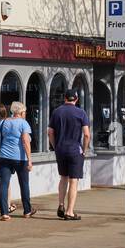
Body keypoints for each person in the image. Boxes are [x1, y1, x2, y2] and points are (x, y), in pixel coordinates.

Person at [47, 89, 91, 221]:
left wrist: (56, 147)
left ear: (65, 98)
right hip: (74, 150)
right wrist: (84, 149)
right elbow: (87, 134)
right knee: (73, 181)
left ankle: (61, 204)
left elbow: (50, 132)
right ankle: (69, 211)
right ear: (76, 99)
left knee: (63, 178)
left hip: (60, 149)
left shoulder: (57, 112)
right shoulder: (81, 113)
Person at [0, 101, 35, 220]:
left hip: (4, 157)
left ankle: (4, 213)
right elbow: (25, 141)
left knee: (4, 184)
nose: (25, 114)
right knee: (24, 184)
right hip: (20, 158)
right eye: (25, 112)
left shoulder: (4, 122)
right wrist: (29, 159)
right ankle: (27, 211)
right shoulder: (23, 123)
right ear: (21, 112)